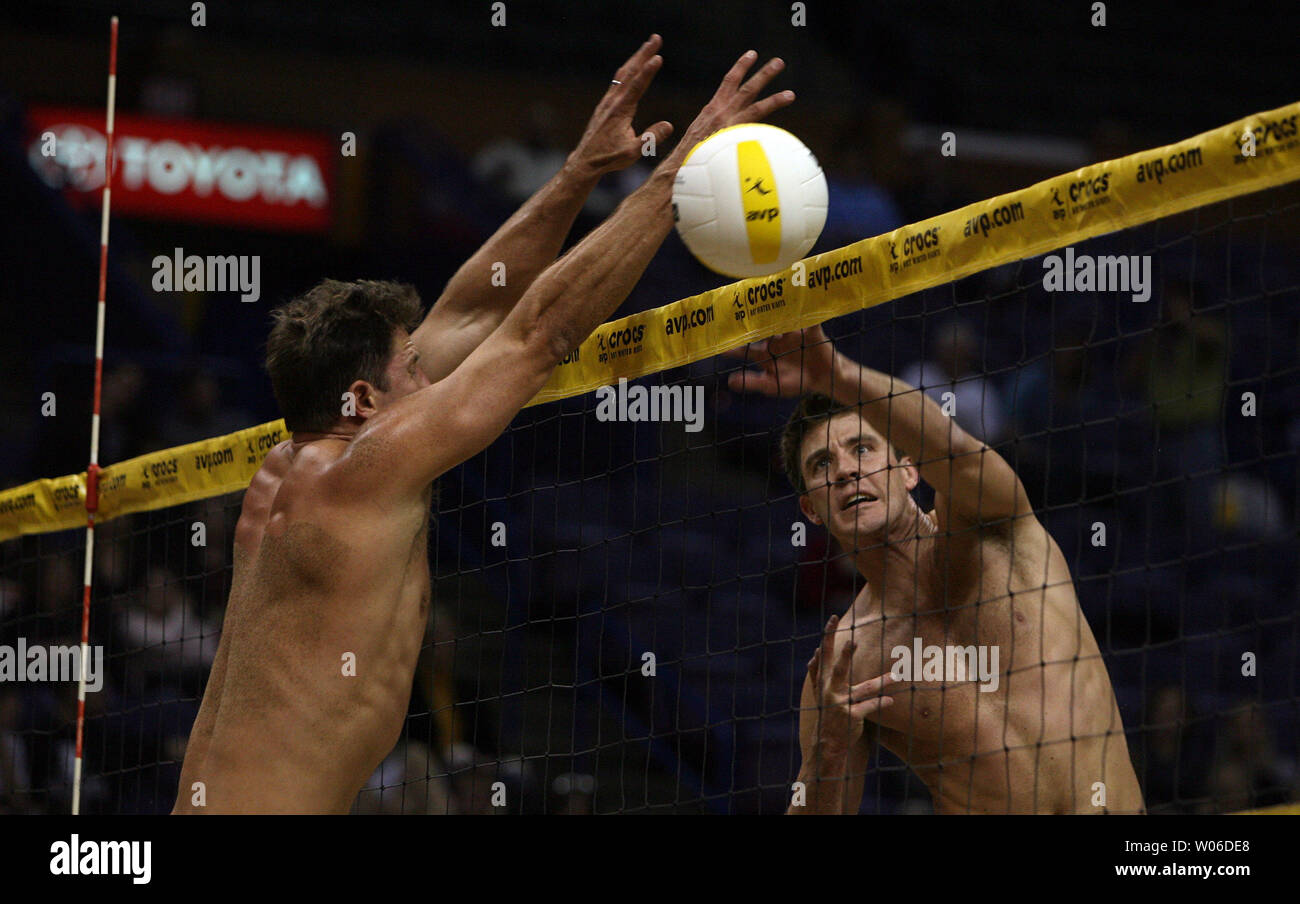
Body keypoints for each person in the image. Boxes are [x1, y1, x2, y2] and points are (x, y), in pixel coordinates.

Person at [172, 36, 795, 814]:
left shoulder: (307, 462)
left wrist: (579, 174)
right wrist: (677, 178)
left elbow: (476, 307)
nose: (430, 370)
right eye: (414, 368)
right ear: (363, 401)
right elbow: (538, 335)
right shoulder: (359, 473)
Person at [726, 324, 1143, 813]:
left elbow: (953, 448)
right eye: (822, 465)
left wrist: (839, 375)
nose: (844, 470)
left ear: (909, 469)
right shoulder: (848, 658)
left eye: (862, 448)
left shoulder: (992, 525)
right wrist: (827, 751)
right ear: (812, 510)